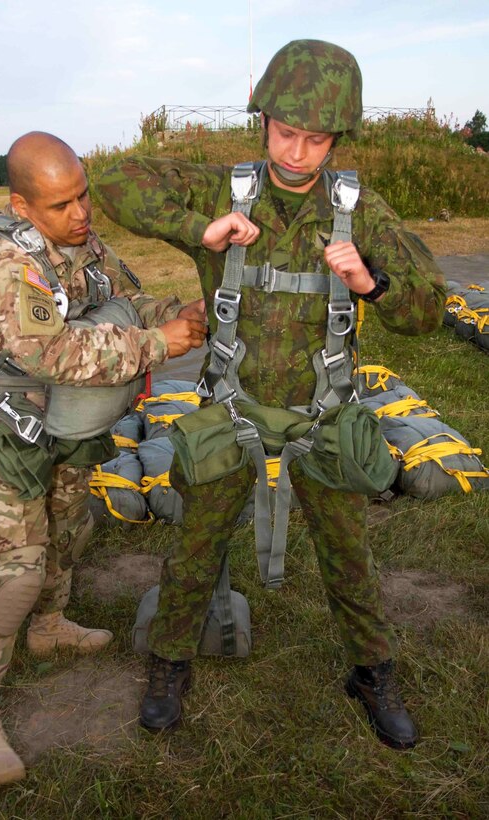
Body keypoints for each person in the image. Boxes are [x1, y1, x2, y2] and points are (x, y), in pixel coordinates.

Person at [96, 40, 447, 750]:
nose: (296, 151)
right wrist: (201, 229)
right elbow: (114, 182)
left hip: (323, 419)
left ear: (336, 138)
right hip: (231, 408)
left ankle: (371, 671)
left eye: (315, 139)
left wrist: (367, 284)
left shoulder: (357, 210)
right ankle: (169, 663)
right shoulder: (228, 193)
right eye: (284, 133)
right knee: (194, 548)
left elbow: (426, 309)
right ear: (261, 122)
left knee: (349, 554)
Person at [0, 131, 207, 786]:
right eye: (61, 204)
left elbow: (125, 296)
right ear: (22, 205)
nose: (81, 214)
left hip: (56, 417)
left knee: (66, 526)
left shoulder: (82, 244)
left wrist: (182, 313)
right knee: (15, 570)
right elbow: (50, 353)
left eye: (83, 194)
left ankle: (49, 626)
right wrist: (156, 344)